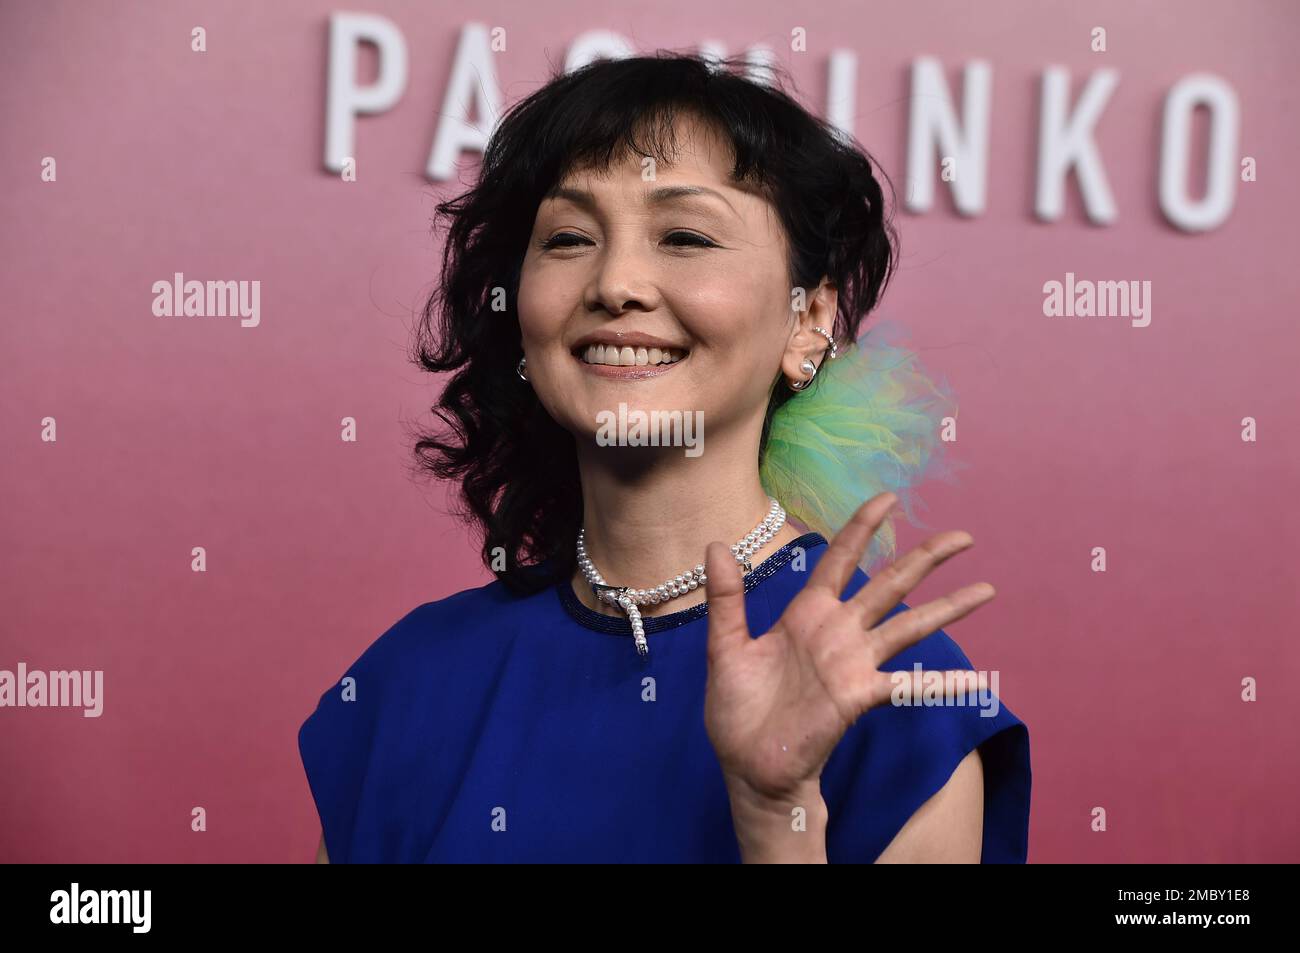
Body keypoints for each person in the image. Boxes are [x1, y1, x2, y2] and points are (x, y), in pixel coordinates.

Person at [298, 51, 1030, 863]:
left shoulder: (893, 689)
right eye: (569, 237)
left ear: (808, 319)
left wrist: (774, 811)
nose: (616, 282)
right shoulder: (408, 681)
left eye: (684, 235)